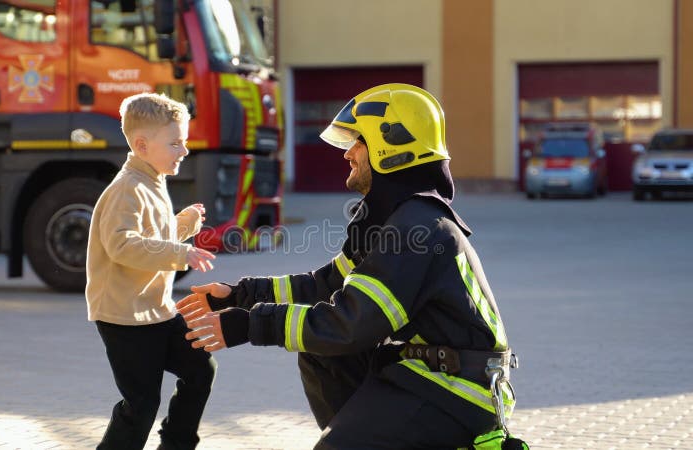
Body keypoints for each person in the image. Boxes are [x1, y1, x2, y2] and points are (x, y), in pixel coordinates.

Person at [177, 84, 520, 449]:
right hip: (429, 374)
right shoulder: (398, 219)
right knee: (320, 355)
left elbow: (351, 325)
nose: (348, 154)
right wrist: (241, 294)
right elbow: (325, 285)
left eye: (358, 142)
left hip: (459, 391)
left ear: (392, 148)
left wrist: (251, 324)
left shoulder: (417, 227)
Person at [86, 92, 218, 450]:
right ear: (142, 145)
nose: (184, 150)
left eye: (184, 142)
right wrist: (180, 252)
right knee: (141, 405)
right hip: (124, 318)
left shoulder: (152, 180)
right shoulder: (127, 188)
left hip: (156, 312)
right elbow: (123, 246)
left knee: (200, 369)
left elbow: (152, 240)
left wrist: (183, 225)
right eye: (175, 143)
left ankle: (176, 443)